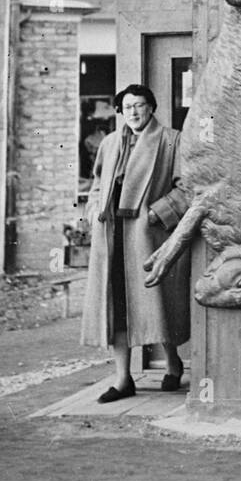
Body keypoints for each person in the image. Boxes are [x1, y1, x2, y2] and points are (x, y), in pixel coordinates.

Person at [80, 84, 190, 402]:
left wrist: (155, 215)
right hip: (111, 236)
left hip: (147, 237)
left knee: (155, 304)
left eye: (139, 105)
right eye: (127, 107)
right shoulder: (111, 143)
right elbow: (98, 185)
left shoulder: (171, 141)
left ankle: (173, 364)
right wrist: (94, 210)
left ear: (151, 108)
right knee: (117, 306)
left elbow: (188, 188)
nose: (133, 112)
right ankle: (123, 378)